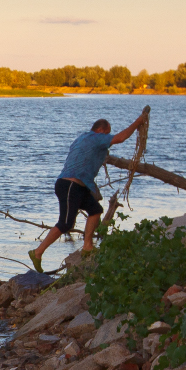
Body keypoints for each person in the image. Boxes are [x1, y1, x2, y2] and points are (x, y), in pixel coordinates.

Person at [30, 110, 146, 272]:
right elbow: (120, 138)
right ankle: (37, 252)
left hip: (77, 185)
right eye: (107, 133)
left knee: (95, 210)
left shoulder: (82, 138)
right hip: (70, 185)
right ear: (100, 130)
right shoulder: (95, 138)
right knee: (66, 223)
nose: (108, 138)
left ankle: (87, 246)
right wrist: (138, 122)